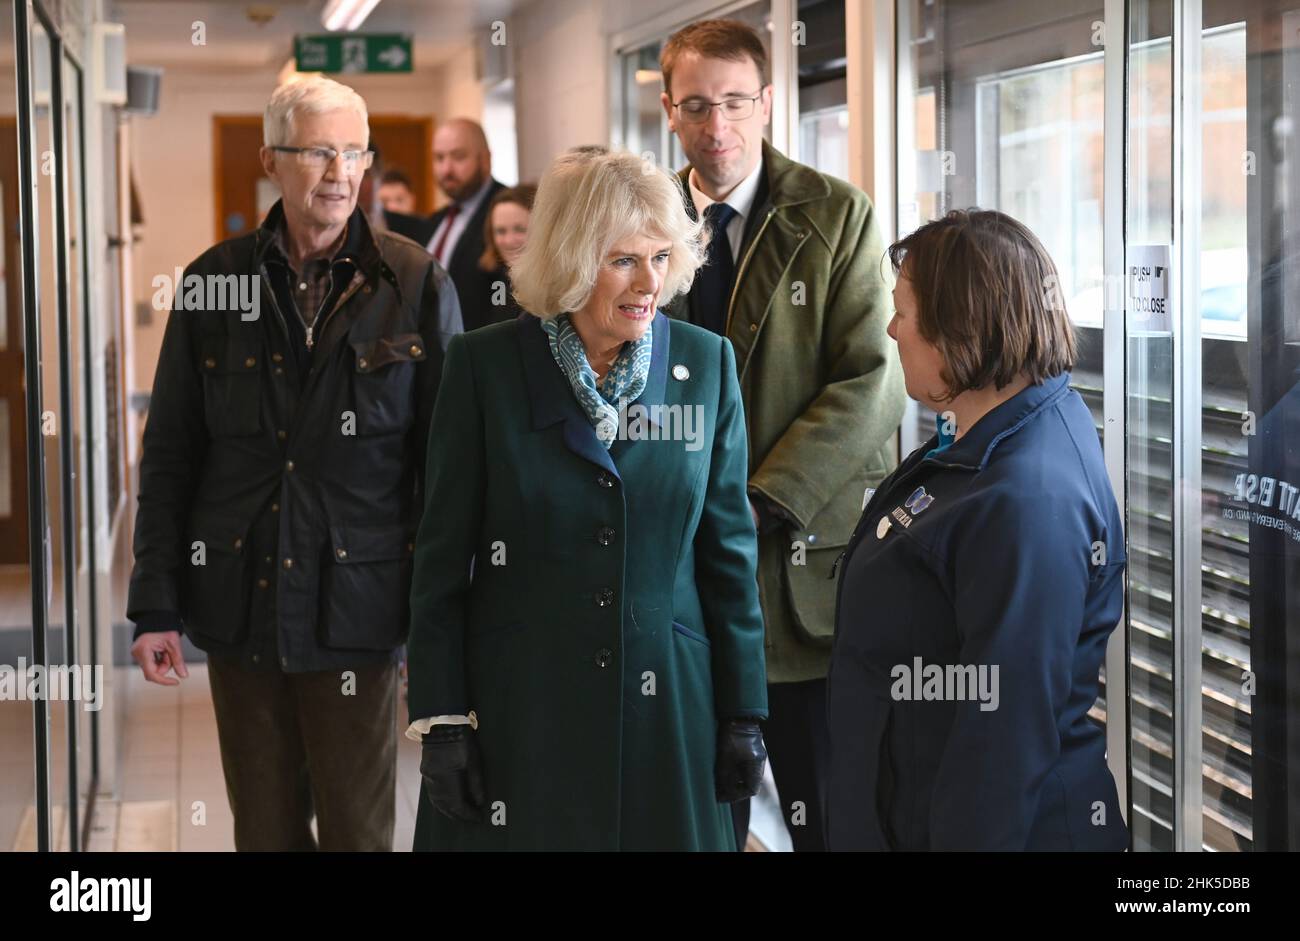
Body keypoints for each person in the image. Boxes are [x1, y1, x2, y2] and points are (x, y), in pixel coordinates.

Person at [125, 75, 463, 851]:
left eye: (354, 152)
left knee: (358, 833)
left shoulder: (412, 281)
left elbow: (446, 464)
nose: (341, 172)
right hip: (243, 603)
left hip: (361, 612)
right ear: (271, 160)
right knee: (266, 834)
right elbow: (171, 451)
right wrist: (155, 603)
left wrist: (441, 616)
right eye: (318, 151)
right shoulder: (215, 282)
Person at [405, 148, 769, 851]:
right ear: (571, 261)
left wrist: (744, 711)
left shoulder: (706, 366)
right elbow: (442, 560)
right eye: (623, 260)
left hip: (671, 705)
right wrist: (443, 716)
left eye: (661, 257)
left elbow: (729, 556)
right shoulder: (485, 369)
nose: (649, 284)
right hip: (521, 706)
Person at [658, 18, 905, 851]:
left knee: (829, 818)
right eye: (696, 105)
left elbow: (873, 381)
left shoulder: (835, 213)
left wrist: (760, 498)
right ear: (668, 109)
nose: (715, 127)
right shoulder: (643, 219)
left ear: (766, 104)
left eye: (733, 102)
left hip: (802, 579)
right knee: (692, 821)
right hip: (675, 574)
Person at [826, 209, 1129, 851]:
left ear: (956, 326)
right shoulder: (1001, 430)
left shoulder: (1027, 498)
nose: (891, 329)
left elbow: (1003, 745)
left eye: (903, 313)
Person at [470, 183, 536, 328]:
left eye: (520, 229)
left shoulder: (558, 287)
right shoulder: (498, 282)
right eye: (500, 231)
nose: (509, 241)